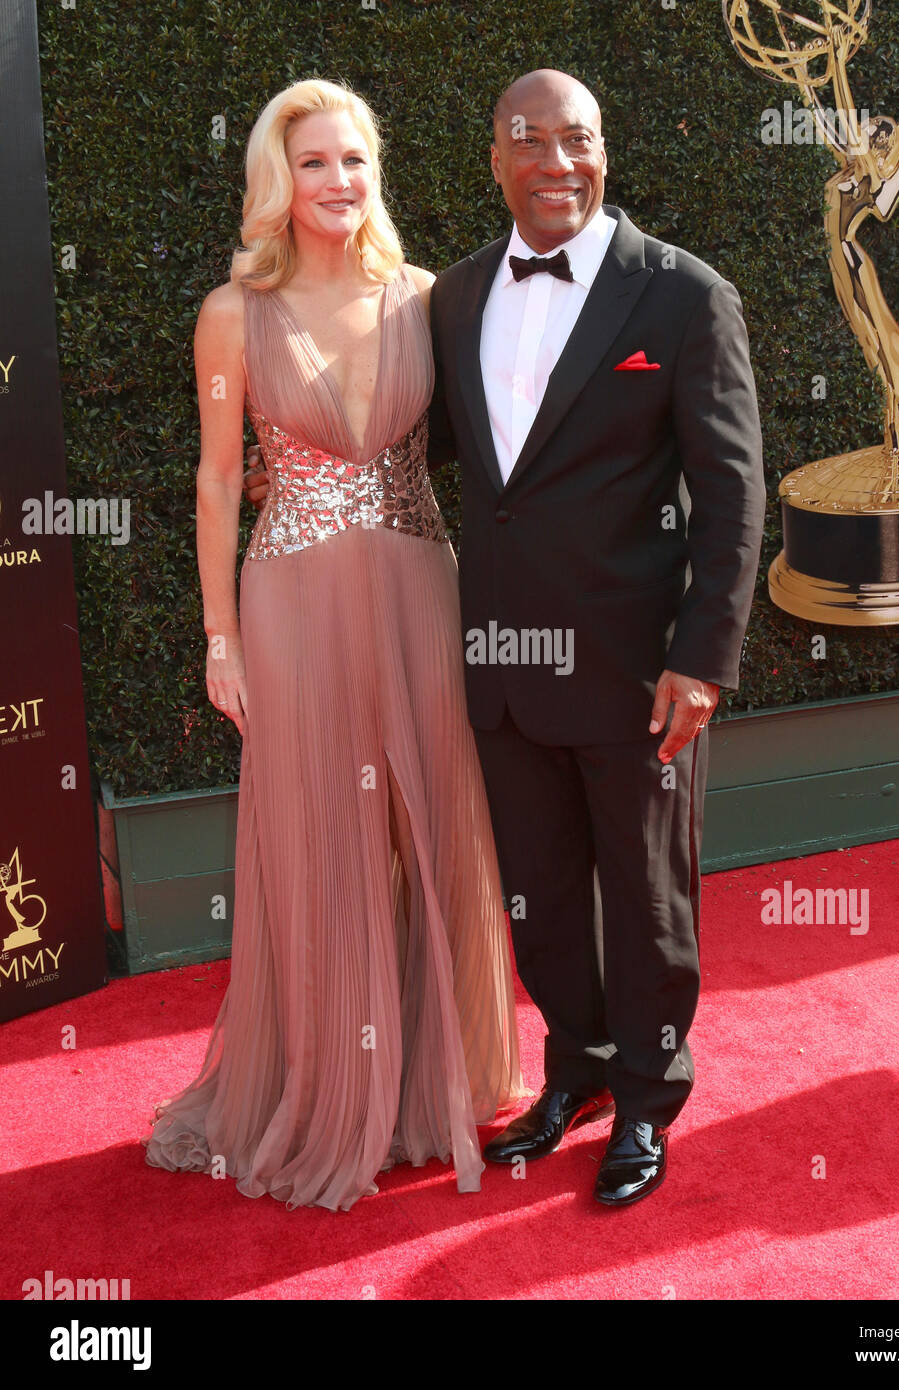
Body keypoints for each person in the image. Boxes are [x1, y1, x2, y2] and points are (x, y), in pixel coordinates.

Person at [247, 69, 765, 1207]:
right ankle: (573, 1069)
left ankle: (644, 1095)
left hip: (639, 673)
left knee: (644, 897)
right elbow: (406, 445)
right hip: (495, 669)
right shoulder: (459, 295)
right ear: (494, 159)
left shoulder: (682, 296)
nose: (553, 162)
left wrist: (703, 657)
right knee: (533, 891)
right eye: (526, 141)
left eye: (574, 138)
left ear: (602, 150)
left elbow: (732, 497)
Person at [143, 78, 526, 1214]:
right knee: (320, 830)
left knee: (426, 827)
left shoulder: (425, 298)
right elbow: (217, 482)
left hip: (417, 588)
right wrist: (219, 635)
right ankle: (327, 1090)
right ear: (277, 178)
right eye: (313, 163)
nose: (339, 182)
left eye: (354, 160)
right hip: (293, 602)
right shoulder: (232, 313)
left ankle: (423, 1082)